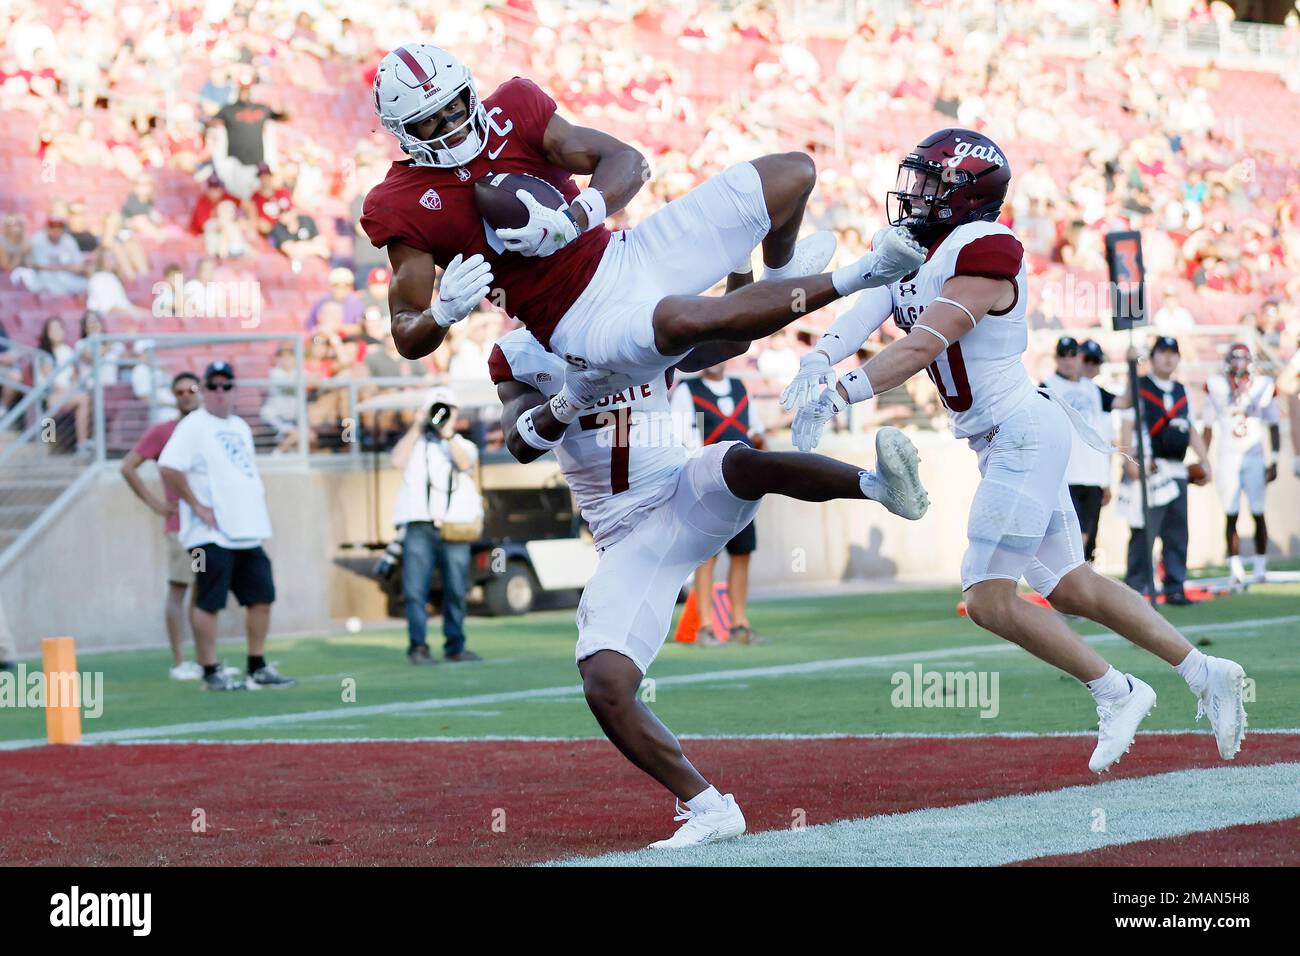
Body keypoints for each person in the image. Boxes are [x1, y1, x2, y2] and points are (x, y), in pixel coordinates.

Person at [783, 129, 1246, 779]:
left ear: (965, 195)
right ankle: (1206, 671)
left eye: (930, 182)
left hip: (1021, 432)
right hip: (1010, 437)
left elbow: (923, 344)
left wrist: (840, 393)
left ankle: (1117, 691)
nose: (915, 192)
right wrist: (817, 358)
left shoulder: (986, 248)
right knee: (1069, 585)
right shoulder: (917, 246)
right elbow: (869, 306)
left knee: (987, 598)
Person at [490, 311, 929, 848]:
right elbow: (518, 443)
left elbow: (733, 334)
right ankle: (709, 807)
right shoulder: (515, 354)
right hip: (627, 536)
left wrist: (758, 250)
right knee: (605, 684)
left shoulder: (626, 318)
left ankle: (877, 486)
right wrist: (569, 399)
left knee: (737, 463)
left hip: (680, 491)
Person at [361, 44, 924, 380]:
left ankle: (780, 278)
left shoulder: (515, 108)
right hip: (576, 319)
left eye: (457, 104)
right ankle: (860, 275)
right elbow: (406, 333)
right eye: (432, 121)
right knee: (683, 320)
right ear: (404, 134)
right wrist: (441, 314)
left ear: (469, 89)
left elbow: (627, 161)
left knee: (792, 173)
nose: (455, 123)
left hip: (624, 252)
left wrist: (576, 218)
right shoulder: (402, 202)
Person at [158, 361, 295, 691]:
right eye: (214, 386)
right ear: (204, 390)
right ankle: (210, 669)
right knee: (209, 600)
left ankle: (257, 665)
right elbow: (169, 467)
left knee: (262, 597)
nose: (220, 392)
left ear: (234, 390)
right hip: (209, 535)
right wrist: (197, 506)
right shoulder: (193, 425)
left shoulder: (240, 427)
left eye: (226, 386)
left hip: (248, 529)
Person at [671, 360, 768, 644]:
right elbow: (682, 438)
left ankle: (739, 623)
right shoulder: (687, 391)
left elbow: (755, 431)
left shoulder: (740, 388)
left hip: (743, 486)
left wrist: (760, 444)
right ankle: (705, 625)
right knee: (707, 555)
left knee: (742, 552)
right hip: (708, 486)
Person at [390, 387, 483, 665]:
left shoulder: (462, 444)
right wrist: (418, 427)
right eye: (437, 410)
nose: (441, 415)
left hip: (455, 524)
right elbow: (396, 460)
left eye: (448, 410)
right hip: (419, 523)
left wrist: (447, 433)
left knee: (456, 588)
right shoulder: (415, 444)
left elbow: (465, 462)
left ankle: (455, 645)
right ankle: (418, 647)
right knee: (414, 589)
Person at [1119, 336, 1214, 604]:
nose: (1168, 358)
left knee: (1177, 532)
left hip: (1176, 468)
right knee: (1144, 531)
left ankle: (1174, 586)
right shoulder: (1140, 387)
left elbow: (1190, 428)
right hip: (1151, 467)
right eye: (1163, 352)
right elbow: (1126, 424)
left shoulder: (1182, 390)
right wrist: (1128, 461)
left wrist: (1205, 460)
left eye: (1173, 352)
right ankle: (1134, 587)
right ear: (1153, 356)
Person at [121, 372, 203, 679]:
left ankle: (205, 660)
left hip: (208, 527)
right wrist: (156, 505)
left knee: (204, 591)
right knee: (179, 589)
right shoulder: (163, 431)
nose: (185, 395)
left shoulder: (210, 429)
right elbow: (127, 467)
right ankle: (181, 661)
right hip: (181, 525)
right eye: (179, 391)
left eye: (191, 389)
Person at [1040, 336, 1128, 564]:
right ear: (1056, 358)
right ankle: (1073, 585)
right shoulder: (1046, 388)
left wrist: (1132, 364)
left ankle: (1081, 588)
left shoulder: (1093, 389)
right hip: (1065, 474)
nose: (1068, 361)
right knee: (1074, 536)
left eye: (1072, 355)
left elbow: (1124, 402)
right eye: (1063, 355)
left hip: (1093, 474)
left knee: (1088, 539)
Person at [1202, 343, 1280, 585]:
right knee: (1231, 513)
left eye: (1243, 359)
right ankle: (1235, 568)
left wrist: (1274, 459)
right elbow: (1207, 427)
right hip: (1228, 456)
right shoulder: (1215, 386)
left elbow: (1274, 424)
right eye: (1235, 359)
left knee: (1258, 512)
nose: (1238, 365)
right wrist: (1204, 460)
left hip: (1255, 456)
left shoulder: (1262, 386)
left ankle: (1259, 566)